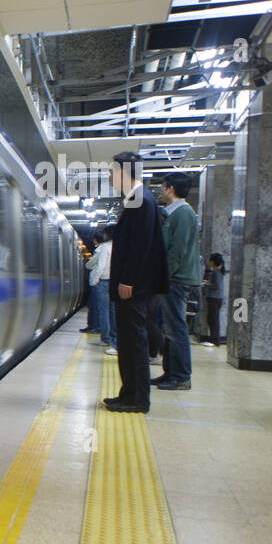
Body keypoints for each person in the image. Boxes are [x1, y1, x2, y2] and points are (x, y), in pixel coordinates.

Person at [104, 152, 169, 414]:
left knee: (135, 342)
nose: (109, 176)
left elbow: (140, 246)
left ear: (123, 171)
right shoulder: (136, 200)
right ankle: (128, 393)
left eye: (111, 171)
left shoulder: (141, 201)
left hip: (134, 286)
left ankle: (138, 399)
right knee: (129, 342)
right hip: (131, 286)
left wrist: (128, 280)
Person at [153, 172, 201, 391]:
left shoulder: (182, 213)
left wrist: (163, 277)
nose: (161, 191)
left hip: (176, 279)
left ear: (170, 188)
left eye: (162, 187)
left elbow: (177, 252)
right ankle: (170, 372)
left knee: (176, 328)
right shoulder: (175, 213)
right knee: (170, 328)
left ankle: (181, 376)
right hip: (173, 278)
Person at [86, 226, 116, 352]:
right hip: (115, 282)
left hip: (104, 281)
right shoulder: (119, 246)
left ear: (107, 235)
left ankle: (106, 338)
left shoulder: (104, 247)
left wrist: (94, 281)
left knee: (104, 311)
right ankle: (114, 338)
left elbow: (101, 265)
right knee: (113, 312)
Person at [201, 253, 226, 347]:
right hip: (216, 298)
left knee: (213, 320)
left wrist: (205, 285)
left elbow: (216, 286)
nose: (208, 262)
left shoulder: (216, 272)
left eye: (209, 260)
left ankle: (214, 340)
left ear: (212, 261)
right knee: (212, 319)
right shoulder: (218, 271)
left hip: (214, 298)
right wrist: (207, 282)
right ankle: (213, 339)